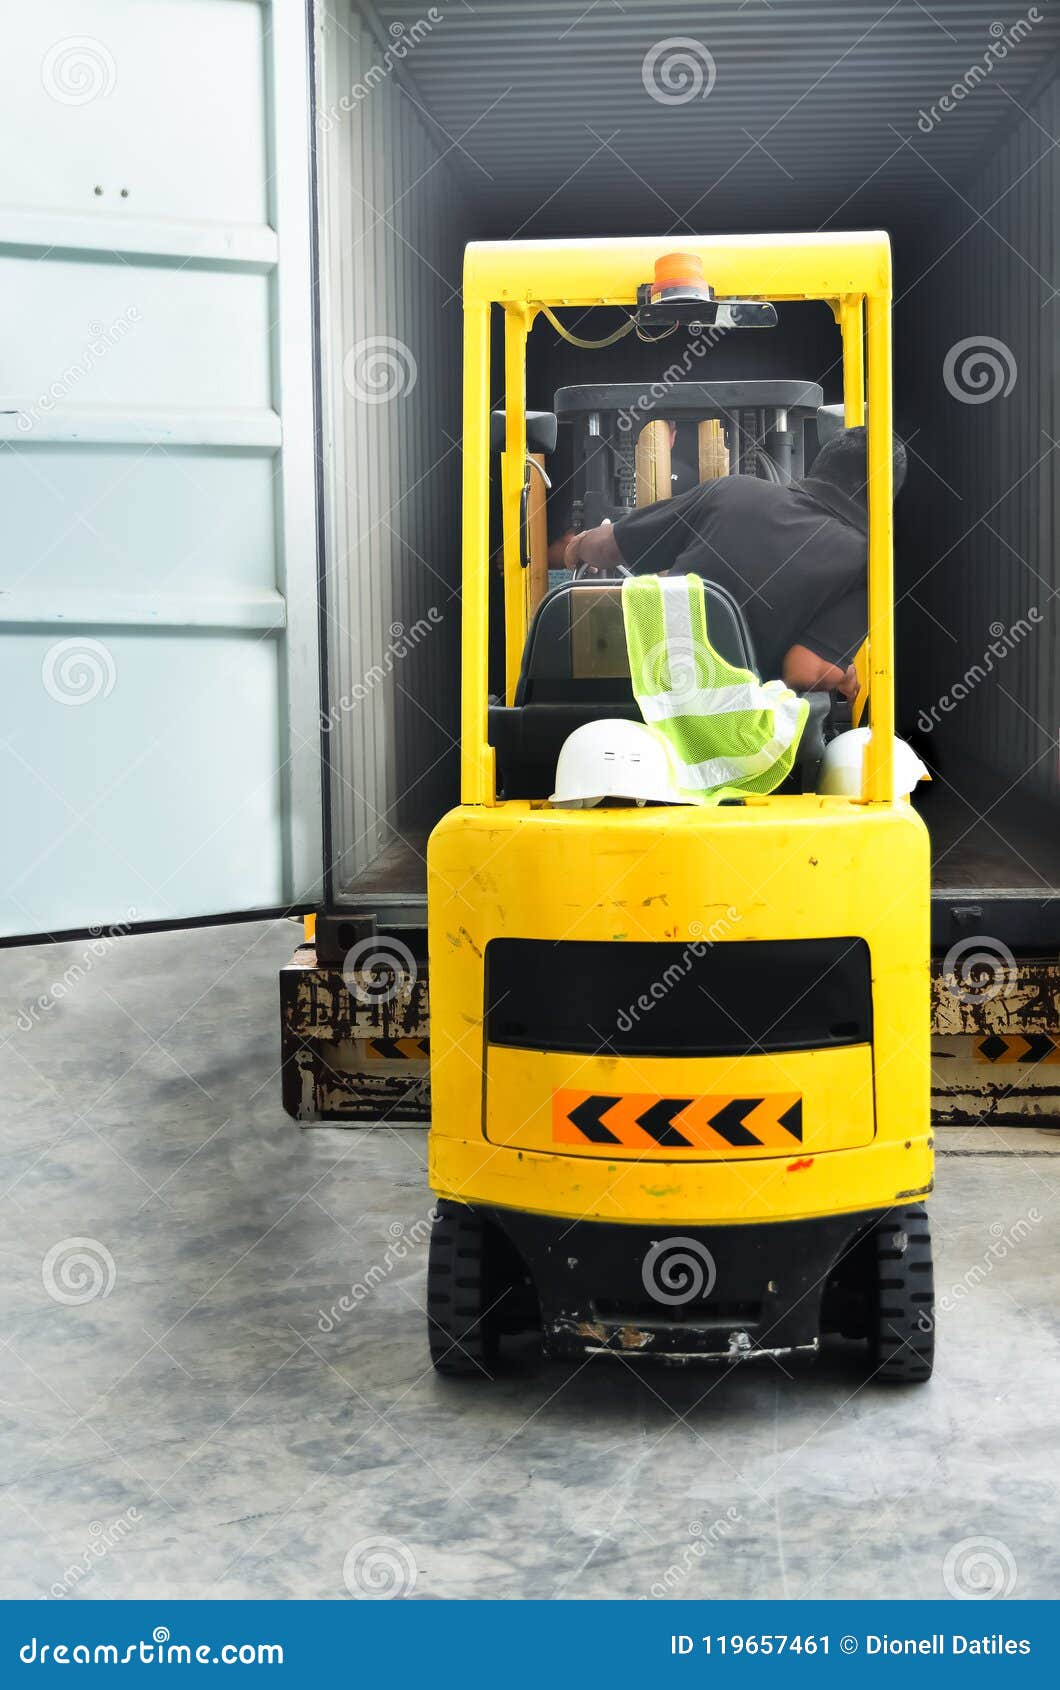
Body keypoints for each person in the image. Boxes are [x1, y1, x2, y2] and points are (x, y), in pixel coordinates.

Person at [562, 427, 907, 703]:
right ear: (887, 499)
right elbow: (803, 671)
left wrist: (578, 545)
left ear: (821, 465)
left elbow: (610, 546)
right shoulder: (870, 563)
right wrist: (843, 676)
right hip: (736, 744)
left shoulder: (731, 491)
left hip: (634, 703)